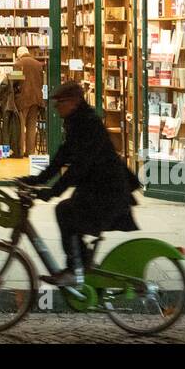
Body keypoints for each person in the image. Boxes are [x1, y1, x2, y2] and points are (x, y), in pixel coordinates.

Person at [29, 81, 140, 287]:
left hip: (108, 192)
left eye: (60, 102)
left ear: (73, 102)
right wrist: (37, 179)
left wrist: (53, 192)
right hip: (97, 189)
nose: (56, 107)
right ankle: (82, 264)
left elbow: (79, 166)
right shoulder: (76, 121)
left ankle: (74, 270)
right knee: (69, 212)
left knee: (66, 213)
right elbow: (63, 156)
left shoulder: (87, 123)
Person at [14, 46, 45, 158]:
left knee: (21, 126)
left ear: (19, 55)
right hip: (36, 99)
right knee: (32, 126)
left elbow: (14, 81)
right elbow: (41, 82)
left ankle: (20, 151)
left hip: (23, 98)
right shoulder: (38, 65)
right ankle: (30, 152)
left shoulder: (18, 64)